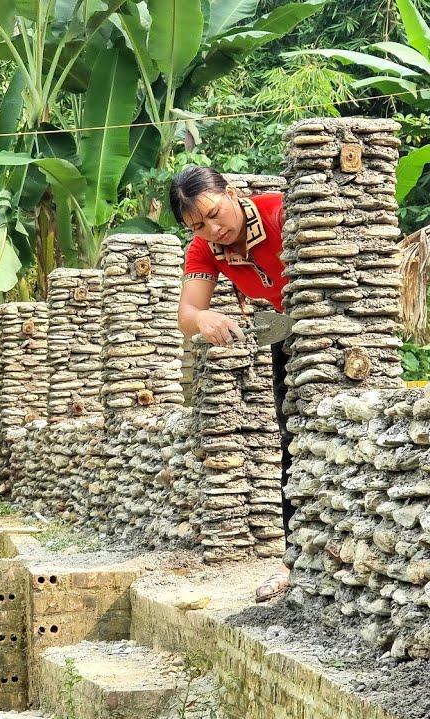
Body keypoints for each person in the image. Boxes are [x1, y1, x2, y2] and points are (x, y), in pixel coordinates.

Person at [172, 165, 293, 603]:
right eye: (197, 225)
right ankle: (294, 558)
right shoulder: (204, 250)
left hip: (336, 325)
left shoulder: (282, 213)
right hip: (287, 335)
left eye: (215, 213)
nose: (212, 228)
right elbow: (187, 314)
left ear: (233, 193)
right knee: (293, 441)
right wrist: (204, 318)